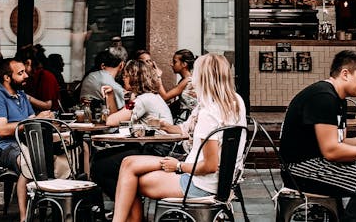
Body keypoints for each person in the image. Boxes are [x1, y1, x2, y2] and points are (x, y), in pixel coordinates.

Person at [109, 54, 246, 222]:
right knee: (128, 163)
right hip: (221, 182)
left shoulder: (209, 113)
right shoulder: (235, 101)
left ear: (202, 77)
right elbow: (185, 131)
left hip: (199, 184)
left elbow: (210, 165)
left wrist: (179, 166)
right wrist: (165, 126)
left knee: (131, 180)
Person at [278, 50, 356, 222]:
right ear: (345, 74)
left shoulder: (337, 98)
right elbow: (332, 151)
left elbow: (338, 142)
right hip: (301, 169)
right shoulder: (323, 97)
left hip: (320, 160)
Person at [0, 58, 55, 222]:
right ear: (7, 77)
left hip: (27, 142)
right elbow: (2, 130)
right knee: (30, 161)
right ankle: (25, 217)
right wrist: (35, 119)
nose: (26, 76)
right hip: (6, 147)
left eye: (25, 72)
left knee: (61, 158)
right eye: (20, 73)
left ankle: (52, 210)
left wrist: (44, 119)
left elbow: (31, 120)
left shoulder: (21, 96)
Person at [91, 59, 175, 198]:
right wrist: (110, 96)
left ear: (134, 77)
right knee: (101, 158)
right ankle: (128, 206)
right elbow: (116, 117)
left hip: (154, 150)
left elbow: (111, 121)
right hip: (155, 147)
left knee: (100, 166)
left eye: (126, 75)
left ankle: (125, 206)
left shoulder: (142, 100)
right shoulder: (148, 97)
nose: (123, 78)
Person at [159, 49, 196, 119]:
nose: (171, 64)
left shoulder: (187, 80)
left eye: (175, 62)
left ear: (184, 64)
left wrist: (158, 77)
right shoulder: (186, 79)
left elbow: (165, 97)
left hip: (187, 119)